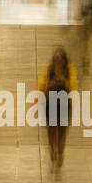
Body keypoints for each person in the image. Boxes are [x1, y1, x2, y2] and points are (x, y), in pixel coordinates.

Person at [38, 46, 78, 176]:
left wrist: (64, 82)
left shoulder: (69, 71)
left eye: (60, 61)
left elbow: (73, 87)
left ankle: (60, 152)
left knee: (61, 132)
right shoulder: (49, 70)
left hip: (64, 104)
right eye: (56, 61)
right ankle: (52, 151)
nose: (58, 63)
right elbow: (42, 85)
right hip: (51, 103)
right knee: (51, 130)